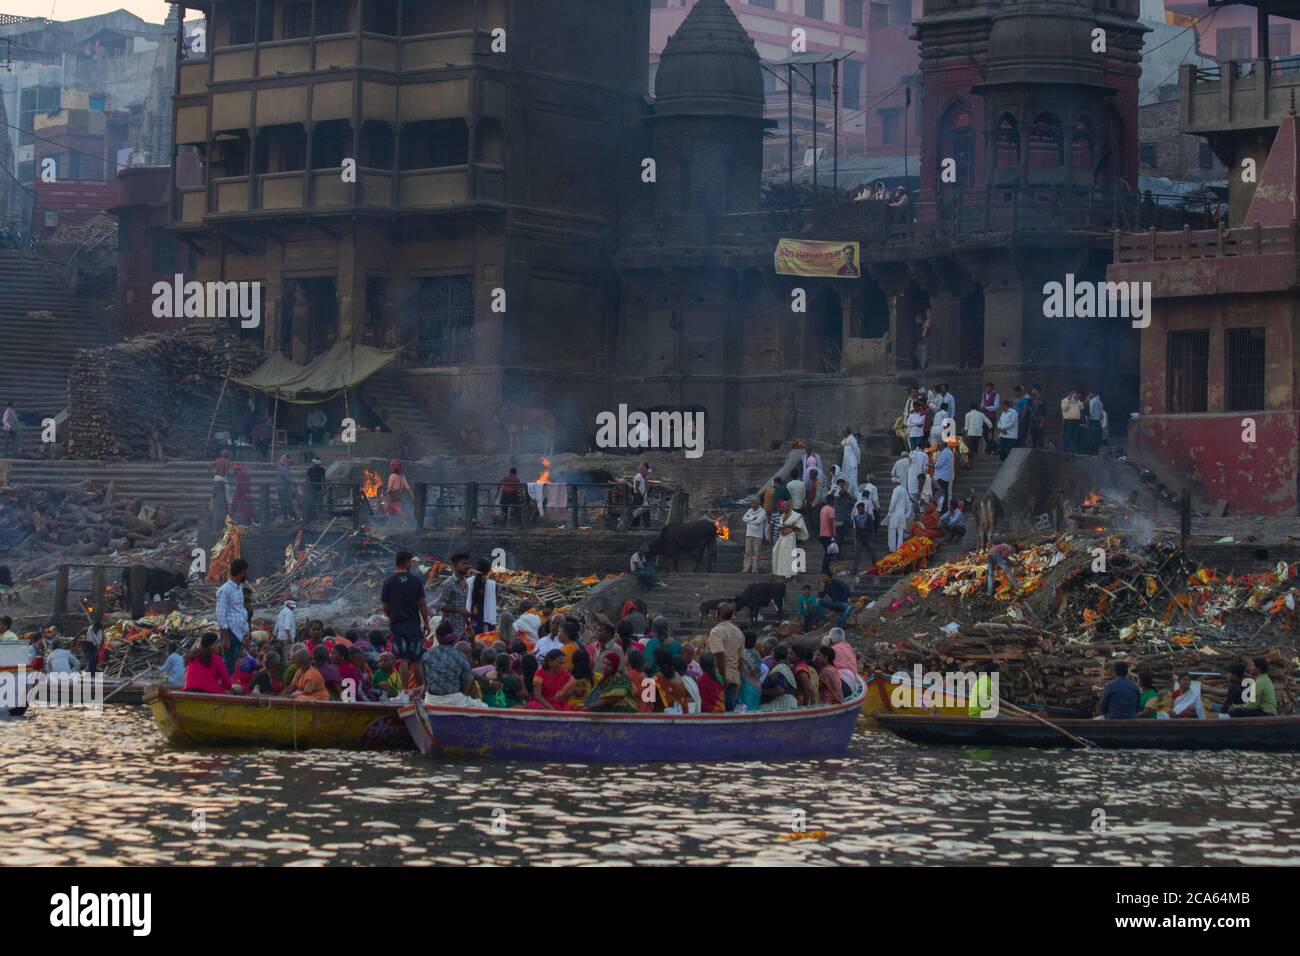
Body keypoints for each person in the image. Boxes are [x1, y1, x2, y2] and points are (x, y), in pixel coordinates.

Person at [423, 621, 489, 708]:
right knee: (485, 707)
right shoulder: (460, 656)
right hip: (455, 701)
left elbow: (425, 681)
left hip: (430, 700)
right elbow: (467, 684)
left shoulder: (427, 655)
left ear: (438, 638)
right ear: (453, 638)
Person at [381, 550, 430, 664]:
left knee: (403, 660)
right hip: (413, 626)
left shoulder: (388, 582)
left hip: (397, 626)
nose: (411, 565)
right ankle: (418, 677)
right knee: (417, 660)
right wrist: (426, 623)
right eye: (410, 562)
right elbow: (422, 604)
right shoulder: (416, 581)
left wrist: (392, 617)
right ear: (407, 562)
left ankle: (404, 676)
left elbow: (386, 607)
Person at [706, 603, 744, 711]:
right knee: (729, 709)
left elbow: (719, 654)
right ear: (732, 616)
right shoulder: (739, 632)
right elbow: (741, 659)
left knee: (720, 710)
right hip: (734, 677)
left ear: (717, 614)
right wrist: (738, 677)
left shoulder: (716, 631)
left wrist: (722, 676)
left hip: (720, 677)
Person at [216, 558, 250, 673]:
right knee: (228, 666)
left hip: (238, 633)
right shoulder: (225, 590)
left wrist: (246, 632)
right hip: (230, 633)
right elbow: (220, 616)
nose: (246, 574)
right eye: (246, 571)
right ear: (242, 572)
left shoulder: (238, 588)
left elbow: (240, 611)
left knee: (234, 664)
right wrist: (226, 639)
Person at [432, 552, 473, 642]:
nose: (467, 566)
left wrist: (468, 624)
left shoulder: (466, 582)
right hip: (450, 632)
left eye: (467, 563)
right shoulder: (447, 584)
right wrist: (459, 610)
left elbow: (463, 608)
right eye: (464, 563)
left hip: (462, 629)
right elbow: (439, 604)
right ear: (454, 566)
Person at [772, 498, 808, 581]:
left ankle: (794, 577)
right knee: (781, 557)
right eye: (781, 507)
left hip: (791, 538)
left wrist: (788, 525)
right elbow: (780, 525)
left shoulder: (796, 516)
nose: (781, 508)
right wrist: (782, 528)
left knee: (792, 557)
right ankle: (784, 575)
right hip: (782, 539)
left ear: (788, 506)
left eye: (783, 507)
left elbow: (799, 527)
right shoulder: (782, 516)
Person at [759, 645, 798, 711]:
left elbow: (779, 690)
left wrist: (761, 691)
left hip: (783, 703)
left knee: (760, 709)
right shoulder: (787, 666)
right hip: (792, 701)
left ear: (774, 656)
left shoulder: (778, 669)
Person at [850, 499, 878, 573]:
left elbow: (871, 527)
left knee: (872, 553)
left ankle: (876, 566)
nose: (859, 510)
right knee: (856, 554)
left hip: (867, 537)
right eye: (858, 509)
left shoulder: (868, 517)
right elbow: (856, 528)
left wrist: (864, 527)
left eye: (860, 509)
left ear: (863, 508)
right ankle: (854, 569)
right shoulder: (856, 518)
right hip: (859, 538)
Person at [886, 477, 912, 552]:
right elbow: (908, 503)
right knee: (900, 532)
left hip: (895, 513)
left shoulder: (896, 490)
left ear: (895, 483)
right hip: (902, 513)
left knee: (892, 530)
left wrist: (890, 512)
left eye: (892, 483)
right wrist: (907, 513)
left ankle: (892, 548)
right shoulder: (904, 490)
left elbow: (893, 502)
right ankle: (899, 548)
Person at [742, 497, 767, 574]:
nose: (752, 504)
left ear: (758, 503)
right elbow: (744, 519)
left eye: (753, 502)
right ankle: (745, 569)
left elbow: (759, 521)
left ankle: (754, 569)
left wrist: (749, 520)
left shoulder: (763, 512)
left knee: (756, 552)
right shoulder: (750, 510)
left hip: (758, 535)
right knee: (748, 552)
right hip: (749, 533)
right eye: (751, 502)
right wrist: (752, 518)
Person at [1060, 389, 1084, 454]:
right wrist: (1069, 400)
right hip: (1068, 421)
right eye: (1072, 393)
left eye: (1074, 393)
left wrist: (1078, 401)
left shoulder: (1077, 401)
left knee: (1075, 436)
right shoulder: (1064, 400)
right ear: (1069, 393)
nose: (1074, 394)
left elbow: (1082, 408)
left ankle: (1074, 451)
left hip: (1076, 421)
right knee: (1067, 436)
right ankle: (1066, 451)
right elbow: (1064, 408)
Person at [933, 442, 954, 514]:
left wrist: (934, 465)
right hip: (946, 476)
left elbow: (939, 465)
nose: (938, 446)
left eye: (939, 445)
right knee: (945, 494)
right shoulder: (949, 451)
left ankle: (941, 510)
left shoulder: (944, 453)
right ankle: (944, 509)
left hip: (941, 477)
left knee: (941, 494)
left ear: (943, 445)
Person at [304, 457, 325, 522]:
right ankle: (314, 517)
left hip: (318, 489)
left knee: (319, 504)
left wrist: (324, 488)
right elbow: (307, 479)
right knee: (313, 504)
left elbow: (324, 479)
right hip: (312, 489)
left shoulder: (322, 470)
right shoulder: (310, 470)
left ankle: (318, 517)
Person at [839, 427, 860, 492]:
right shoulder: (845, 441)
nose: (842, 434)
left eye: (844, 432)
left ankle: (854, 494)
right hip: (846, 464)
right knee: (846, 478)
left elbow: (857, 452)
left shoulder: (852, 440)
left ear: (847, 433)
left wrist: (858, 462)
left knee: (853, 479)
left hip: (852, 464)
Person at [1086, 391, 1105, 455]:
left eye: (1090, 394)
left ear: (1093, 394)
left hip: (1092, 421)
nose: (1089, 395)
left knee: (1091, 437)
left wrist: (1087, 423)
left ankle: (1091, 452)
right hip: (1098, 422)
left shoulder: (1092, 401)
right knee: (1097, 437)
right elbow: (1101, 415)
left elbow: (1090, 412)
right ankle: (1097, 452)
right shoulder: (1100, 402)